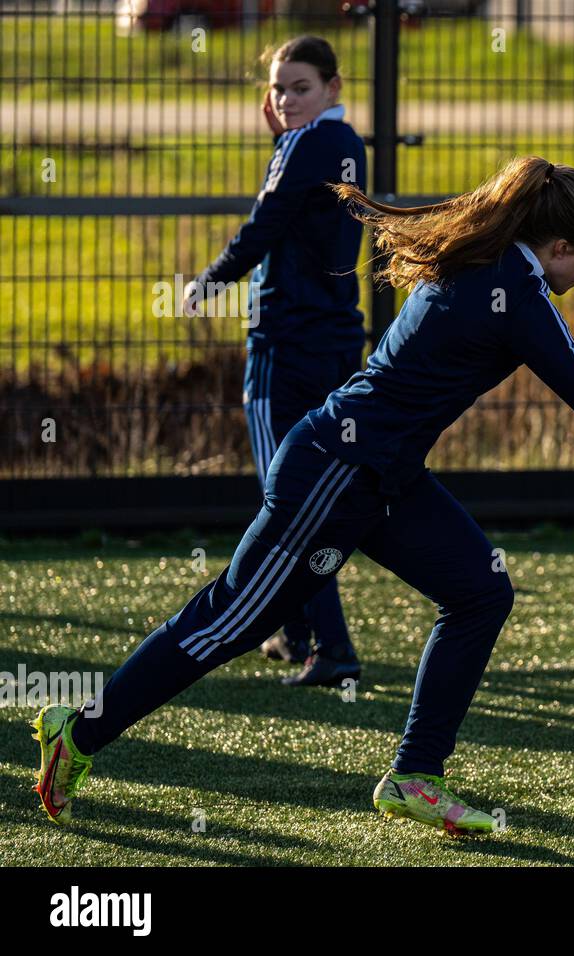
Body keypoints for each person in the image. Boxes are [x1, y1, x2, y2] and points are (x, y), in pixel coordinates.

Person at [32, 156, 574, 834]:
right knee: (226, 622)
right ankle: (81, 728)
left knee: (480, 593)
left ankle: (416, 775)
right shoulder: (516, 293)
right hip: (331, 473)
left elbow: (555, 259)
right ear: (555, 248)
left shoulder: (493, 251)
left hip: (382, 477)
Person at [184, 36, 366, 687]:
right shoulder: (345, 143)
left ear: (333, 89)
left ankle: (332, 646)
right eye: (278, 88)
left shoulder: (305, 144)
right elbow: (298, 219)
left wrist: (206, 282)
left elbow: (263, 227)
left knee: (286, 501)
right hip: (337, 341)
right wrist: (278, 145)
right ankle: (296, 632)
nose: (286, 99)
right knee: (311, 493)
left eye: (301, 87)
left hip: (286, 346)